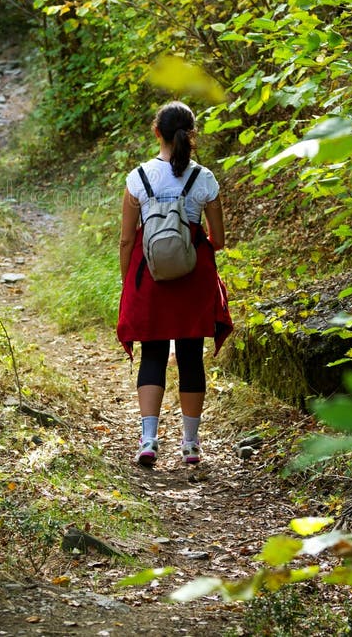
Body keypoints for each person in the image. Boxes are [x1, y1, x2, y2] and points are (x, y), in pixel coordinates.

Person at [117, 101, 233, 467]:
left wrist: (128, 284)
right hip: (193, 277)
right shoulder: (205, 179)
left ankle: (148, 440)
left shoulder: (139, 178)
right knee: (189, 356)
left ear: (157, 133)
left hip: (149, 276)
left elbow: (125, 240)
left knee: (152, 354)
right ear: (191, 135)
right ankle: (191, 444)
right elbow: (219, 239)